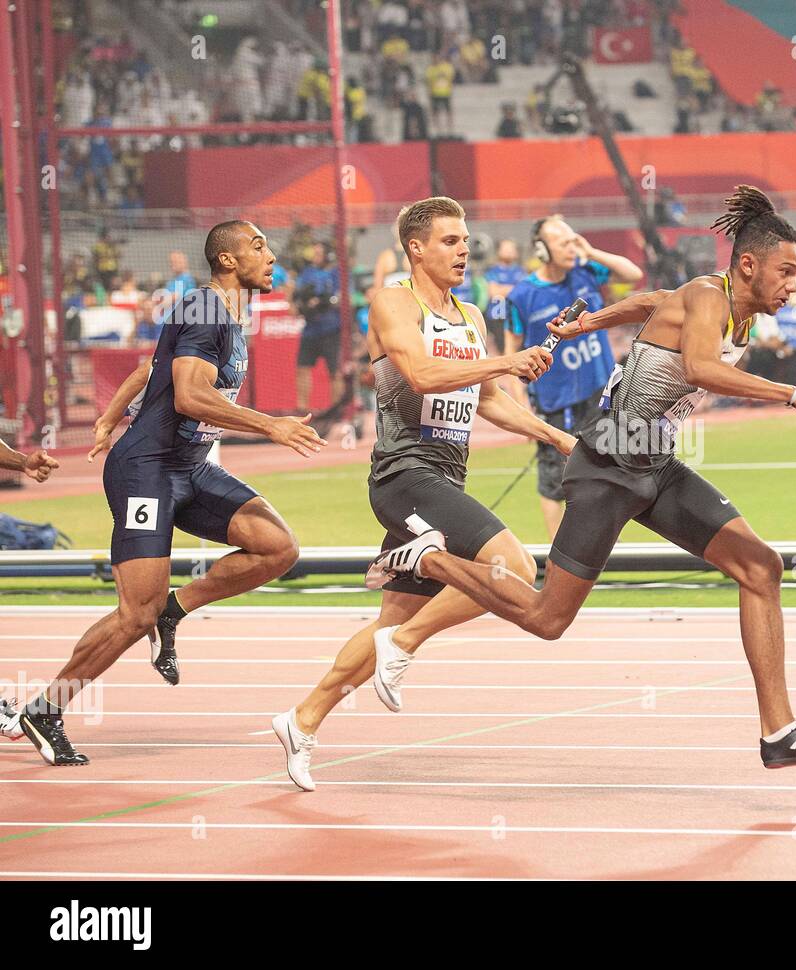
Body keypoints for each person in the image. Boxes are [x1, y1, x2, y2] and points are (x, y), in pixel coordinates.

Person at [369, 186, 796, 769]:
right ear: (748, 265)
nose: (793, 285)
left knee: (761, 566)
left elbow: (653, 299)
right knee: (545, 618)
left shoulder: (724, 305)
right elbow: (702, 366)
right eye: (787, 272)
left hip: (652, 461)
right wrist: (794, 393)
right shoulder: (711, 297)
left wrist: (591, 323)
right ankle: (426, 560)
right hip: (608, 465)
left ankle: (778, 733)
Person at [3, 222, 326, 766]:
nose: (272, 256)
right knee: (135, 615)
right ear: (226, 259)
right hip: (147, 471)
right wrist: (269, 425)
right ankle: (46, 709)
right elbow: (191, 395)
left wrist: (108, 418)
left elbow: (144, 369)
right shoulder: (205, 309)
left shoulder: (227, 315)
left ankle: (176, 610)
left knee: (277, 547)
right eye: (258, 247)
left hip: (189, 467)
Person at [273, 197, 562, 791]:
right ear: (417, 248)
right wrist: (507, 361)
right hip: (403, 476)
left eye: (466, 240)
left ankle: (301, 720)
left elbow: (487, 401)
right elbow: (424, 374)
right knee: (513, 570)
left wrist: (557, 437)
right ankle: (410, 619)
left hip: (444, 482)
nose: (465, 250)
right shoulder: (390, 303)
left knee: (387, 622)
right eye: (452, 241)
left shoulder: (471, 316)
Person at [503, 215, 644, 538]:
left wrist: (590, 251)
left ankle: (597, 543)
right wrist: (522, 407)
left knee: (607, 471)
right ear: (541, 249)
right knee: (555, 479)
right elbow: (513, 351)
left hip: (603, 393)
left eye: (572, 239)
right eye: (562, 242)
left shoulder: (586, 271)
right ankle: (559, 554)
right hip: (557, 402)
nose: (571, 246)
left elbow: (632, 274)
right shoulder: (522, 296)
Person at [293, 242, 345, 415]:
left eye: (318, 253)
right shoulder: (307, 273)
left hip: (331, 329)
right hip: (310, 329)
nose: (315, 256)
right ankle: (302, 410)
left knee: (335, 371)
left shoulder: (336, 272)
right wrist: (303, 304)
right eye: (314, 253)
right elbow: (297, 296)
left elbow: (342, 298)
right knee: (302, 368)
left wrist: (323, 301)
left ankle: (336, 410)